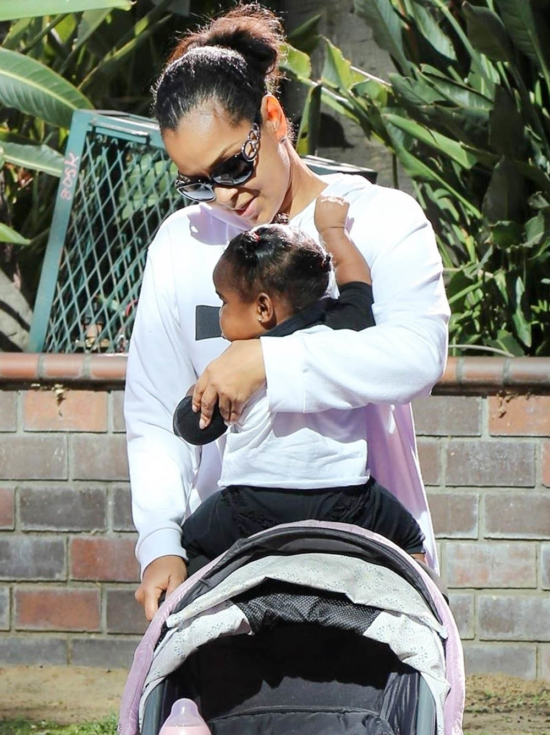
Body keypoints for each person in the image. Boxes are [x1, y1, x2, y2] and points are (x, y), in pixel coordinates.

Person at [124, 3, 450, 620]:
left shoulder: (378, 220)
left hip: (370, 561)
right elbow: (152, 411)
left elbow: (416, 356)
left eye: (233, 164)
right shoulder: (180, 244)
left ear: (271, 117)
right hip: (230, 566)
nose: (224, 194)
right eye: (198, 181)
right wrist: (162, 542)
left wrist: (266, 360)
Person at [174, 196, 427, 574]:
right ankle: (425, 598)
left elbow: (193, 427)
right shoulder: (344, 327)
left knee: (190, 542)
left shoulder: (237, 365)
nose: (220, 315)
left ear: (263, 308)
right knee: (409, 538)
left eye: (223, 302)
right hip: (347, 500)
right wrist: (334, 233)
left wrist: (187, 413)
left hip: (252, 507)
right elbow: (358, 285)